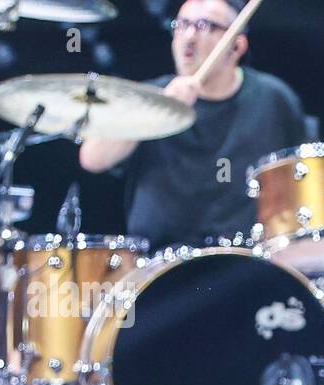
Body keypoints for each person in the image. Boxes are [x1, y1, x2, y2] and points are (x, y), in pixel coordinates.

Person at [79, 0, 307, 248]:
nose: (188, 36)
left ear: (236, 46)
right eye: (182, 24)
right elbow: (92, 158)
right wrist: (159, 110)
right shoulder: (149, 98)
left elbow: (303, 180)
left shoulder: (273, 98)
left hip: (246, 262)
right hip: (157, 265)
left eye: (204, 25)